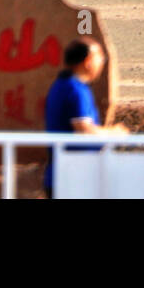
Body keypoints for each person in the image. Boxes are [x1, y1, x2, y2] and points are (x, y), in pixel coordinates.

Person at [42, 37, 127, 198]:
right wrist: (115, 133)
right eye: (100, 57)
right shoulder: (75, 89)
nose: (102, 61)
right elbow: (84, 130)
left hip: (67, 175)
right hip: (72, 177)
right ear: (88, 61)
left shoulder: (64, 85)